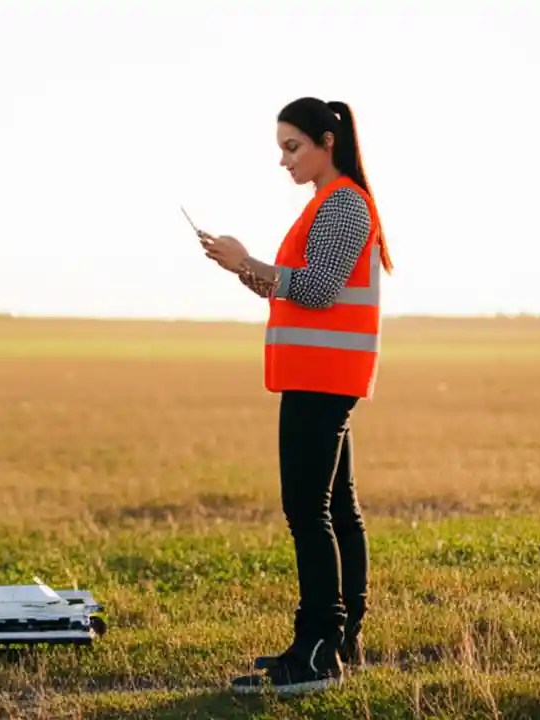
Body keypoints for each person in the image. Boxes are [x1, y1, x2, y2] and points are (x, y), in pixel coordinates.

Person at [195, 97, 393, 696]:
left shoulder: (343, 206)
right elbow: (294, 291)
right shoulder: (326, 206)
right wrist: (241, 268)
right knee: (336, 508)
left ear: (326, 142)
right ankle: (340, 639)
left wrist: (250, 259)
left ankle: (315, 652)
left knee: (307, 511)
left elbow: (317, 289)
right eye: (281, 149)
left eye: (292, 147)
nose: (284, 160)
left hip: (321, 380)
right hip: (321, 377)